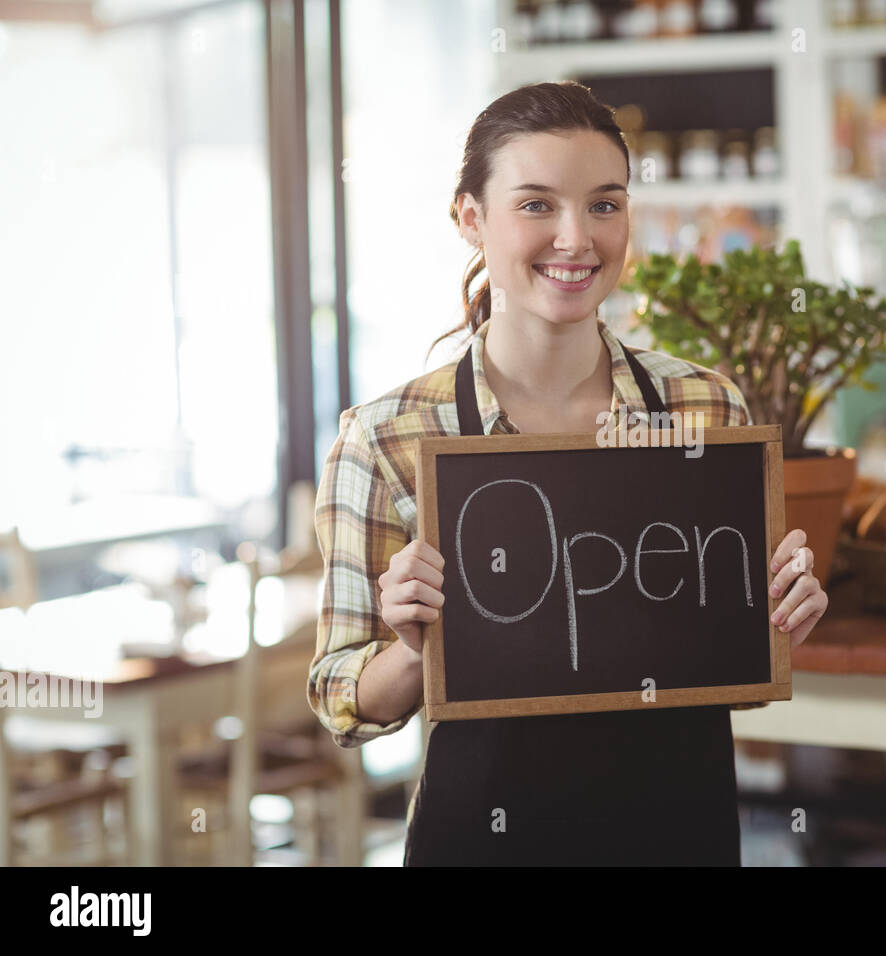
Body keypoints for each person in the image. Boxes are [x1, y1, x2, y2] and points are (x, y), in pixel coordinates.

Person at [308, 81, 829, 866]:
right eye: (537, 205)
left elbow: (732, 669)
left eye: (605, 205)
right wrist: (414, 649)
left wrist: (781, 614)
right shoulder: (386, 436)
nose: (576, 238)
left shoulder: (705, 405)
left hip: (677, 830)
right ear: (471, 219)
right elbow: (343, 701)